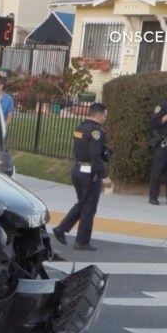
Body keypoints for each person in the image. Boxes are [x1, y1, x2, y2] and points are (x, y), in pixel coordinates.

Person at [51, 103, 113, 252]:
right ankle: (82, 241)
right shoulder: (95, 132)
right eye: (105, 115)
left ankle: (61, 228)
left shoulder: (80, 128)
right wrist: (104, 176)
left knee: (83, 202)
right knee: (89, 207)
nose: (105, 117)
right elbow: (95, 157)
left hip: (77, 169)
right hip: (89, 173)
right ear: (99, 115)